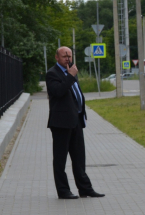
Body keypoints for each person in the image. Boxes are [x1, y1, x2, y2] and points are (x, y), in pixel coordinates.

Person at [45, 46, 105, 199]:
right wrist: (70, 76)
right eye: (64, 56)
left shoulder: (72, 71)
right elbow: (58, 92)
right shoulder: (52, 74)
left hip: (76, 120)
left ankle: (85, 188)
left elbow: (76, 94)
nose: (68, 59)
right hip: (60, 123)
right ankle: (63, 190)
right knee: (60, 160)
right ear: (57, 57)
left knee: (79, 158)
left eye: (69, 56)